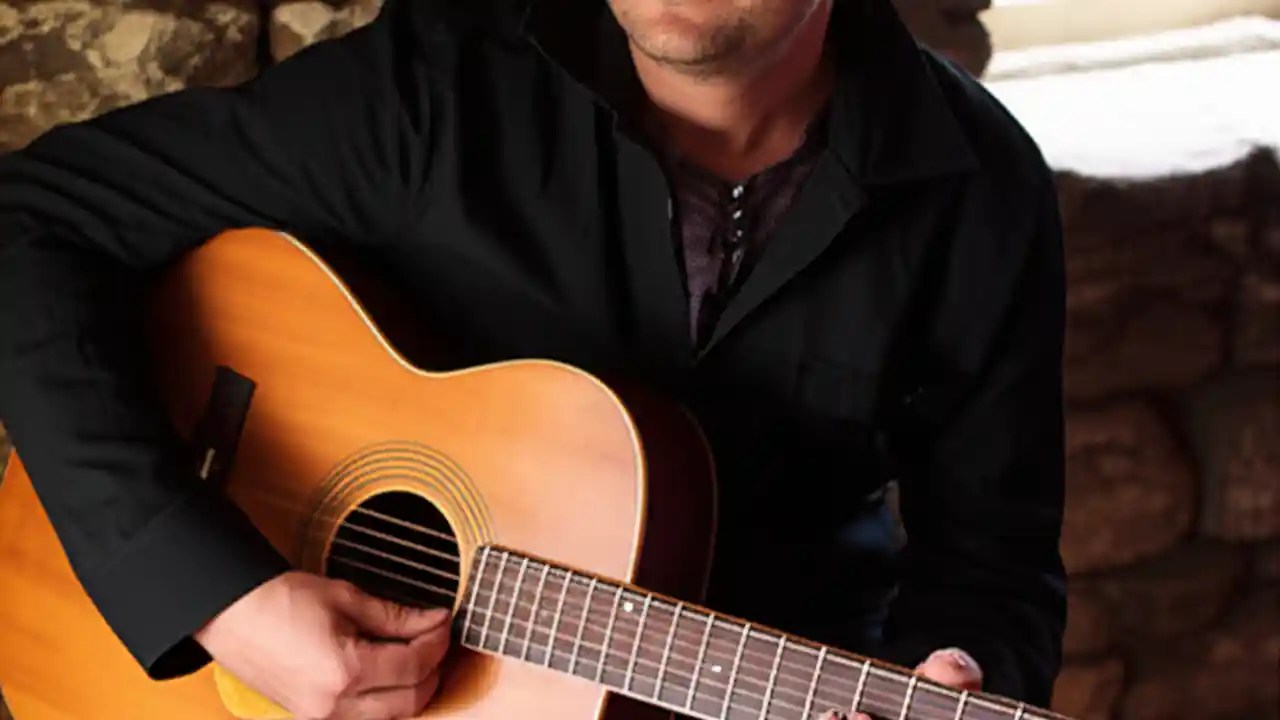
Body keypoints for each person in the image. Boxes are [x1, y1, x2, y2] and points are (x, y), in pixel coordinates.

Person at [0, 0, 1068, 718]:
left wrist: (963, 673)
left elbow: (992, 566)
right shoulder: (444, 86)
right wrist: (217, 595)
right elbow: (29, 222)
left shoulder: (978, 189)